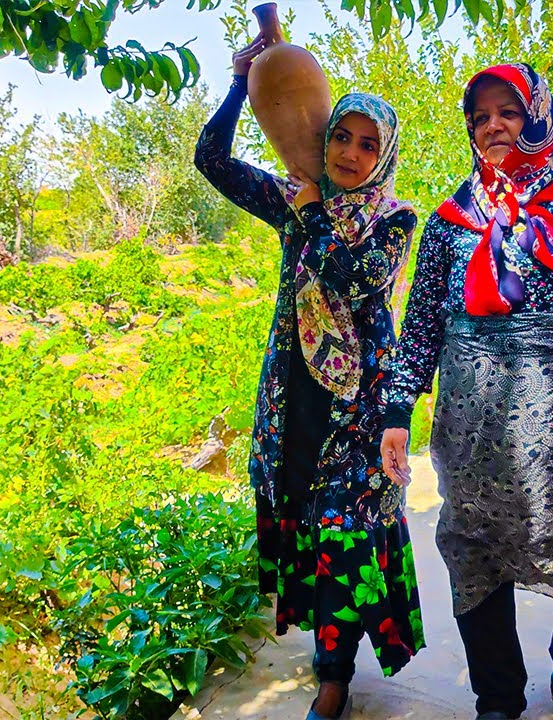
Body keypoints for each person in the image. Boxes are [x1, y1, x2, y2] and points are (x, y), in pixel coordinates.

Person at [380, 63, 553, 720]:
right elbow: (420, 323)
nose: (492, 126)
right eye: (480, 117)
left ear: (539, 116)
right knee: (475, 555)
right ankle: (498, 697)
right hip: (474, 438)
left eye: (508, 110)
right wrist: (397, 411)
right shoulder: (453, 221)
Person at [195, 39, 424, 720]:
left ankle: (334, 677)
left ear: (382, 156)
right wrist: (240, 88)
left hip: (357, 410)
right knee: (310, 535)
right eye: (340, 138)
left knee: (347, 543)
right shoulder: (297, 200)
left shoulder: (393, 219)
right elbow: (210, 160)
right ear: (324, 141)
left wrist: (308, 212)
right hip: (293, 399)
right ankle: (327, 662)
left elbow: (351, 277)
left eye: (366, 143)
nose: (350, 153)